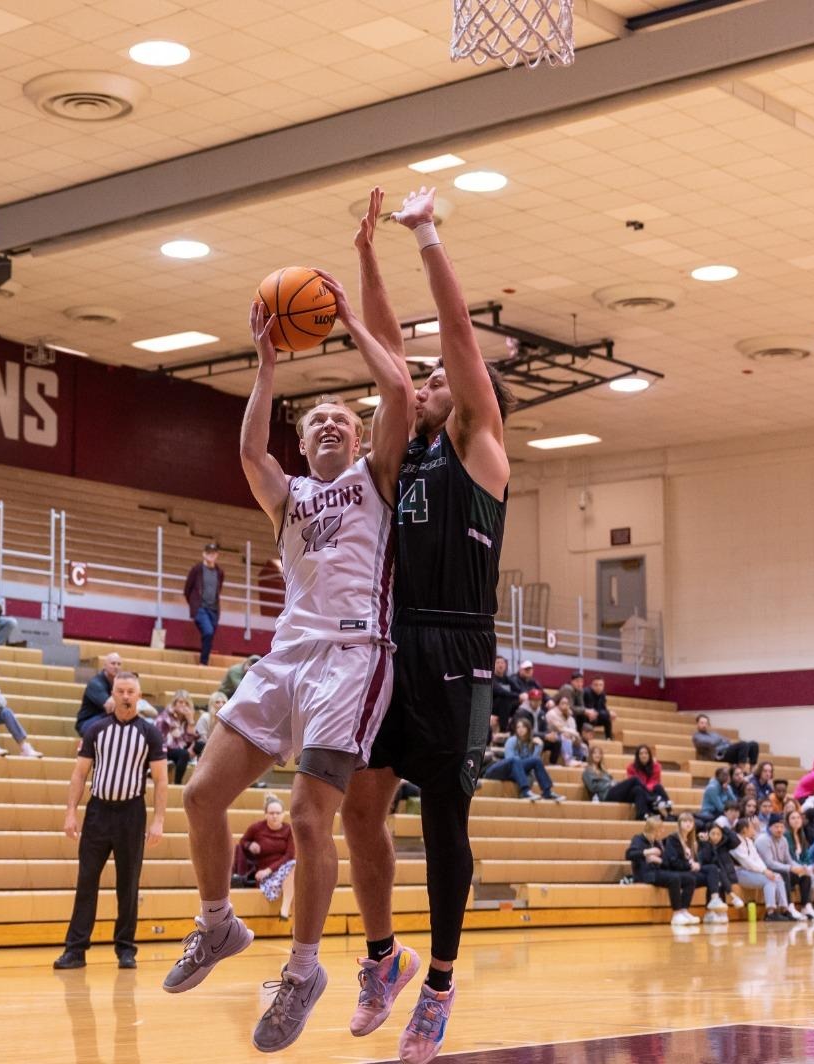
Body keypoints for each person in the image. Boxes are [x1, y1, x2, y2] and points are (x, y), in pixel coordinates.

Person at [164, 266, 413, 1057]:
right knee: (202, 794)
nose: (333, 426)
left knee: (310, 818)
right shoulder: (289, 498)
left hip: (355, 654)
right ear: (302, 444)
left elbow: (400, 397)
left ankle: (304, 970)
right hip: (286, 657)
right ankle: (218, 925)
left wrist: (348, 325)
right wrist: (268, 366)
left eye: (344, 417)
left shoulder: (377, 478)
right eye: (318, 422)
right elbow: (247, 448)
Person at [335, 184, 514, 1064]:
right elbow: (396, 367)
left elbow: (453, 343)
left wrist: (427, 239)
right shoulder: (406, 450)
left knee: (445, 820)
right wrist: (367, 258)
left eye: (446, 378)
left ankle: (439, 984)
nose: (432, 381)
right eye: (429, 381)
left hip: (457, 647)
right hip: (394, 643)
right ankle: (383, 958)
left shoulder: (482, 444)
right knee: (358, 808)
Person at [54, 672, 168, 971]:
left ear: (139, 696)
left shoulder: (150, 733)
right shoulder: (96, 729)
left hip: (132, 814)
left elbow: (160, 780)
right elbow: (79, 774)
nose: (126, 696)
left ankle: (126, 949)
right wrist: (70, 812)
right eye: (121, 691)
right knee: (86, 881)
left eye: (131, 691)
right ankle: (75, 950)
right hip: (98, 813)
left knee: (128, 885)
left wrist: (158, 821)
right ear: (113, 695)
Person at [626, 816, 698, 925]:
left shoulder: (658, 842)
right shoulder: (638, 839)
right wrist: (647, 852)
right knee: (674, 878)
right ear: (654, 829)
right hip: (645, 874)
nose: (663, 831)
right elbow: (629, 854)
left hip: (658, 872)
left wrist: (658, 860)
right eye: (660, 829)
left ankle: (684, 910)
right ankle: (677, 914)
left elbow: (666, 862)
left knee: (690, 878)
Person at [237, 795, 297, 920]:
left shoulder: (289, 830)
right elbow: (242, 842)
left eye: (278, 813)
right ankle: (286, 910)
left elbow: (289, 855)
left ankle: (284, 909)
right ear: (265, 814)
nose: (275, 816)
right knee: (295, 870)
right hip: (264, 876)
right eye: (271, 813)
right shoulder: (256, 828)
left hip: (281, 869)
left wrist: (268, 870)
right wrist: (250, 845)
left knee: (295, 866)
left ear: (283, 814)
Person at [663, 812, 726, 922]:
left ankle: (712, 905)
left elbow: (705, 859)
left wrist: (706, 843)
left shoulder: (693, 840)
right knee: (697, 877)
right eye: (685, 821)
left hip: (690, 870)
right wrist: (690, 866)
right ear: (679, 824)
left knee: (713, 870)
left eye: (690, 821)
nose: (688, 824)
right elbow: (673, 861)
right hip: (679, 872)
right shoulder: (673, 839)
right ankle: (683, 911)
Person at [481, 716, 560, 801]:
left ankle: (547, 792)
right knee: (515, 760)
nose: (520, 729)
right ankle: (525, 791)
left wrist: (539, 747)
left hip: (513, 773)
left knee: (536, 761)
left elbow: (533, 763)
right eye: (518, 727)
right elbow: (510, 760)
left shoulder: (530, 743)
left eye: (523, 727)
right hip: (498, 770)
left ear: (528, 729)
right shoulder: (512, 740)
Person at [731, 817, 792, 921]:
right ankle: (770, 912)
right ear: (744, 829)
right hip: (739, 873)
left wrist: (766, 870)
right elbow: (747, 862)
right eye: (752, 827)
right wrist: (764, 871)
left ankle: (784, 909)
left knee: (777, 877)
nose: (754, 829)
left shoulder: (749, 841)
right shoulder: (735, 842)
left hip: (752, 871)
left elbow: (757, 859)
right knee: (769, 880)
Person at [756, 815, 812, 920]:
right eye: (776, 827)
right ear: (769, 827)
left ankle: (806, 907)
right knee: (785, 873)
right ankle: (788, 907)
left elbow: (789, 860)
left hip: (781, 868)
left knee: (805, 875)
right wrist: (790, 868)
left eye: (782, 827)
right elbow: (769, 863)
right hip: (766, 870)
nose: (779, 829)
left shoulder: (784, 839)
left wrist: (801, 868)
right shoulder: (763, 840)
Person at [183, 543, 224, 666]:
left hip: (214, 609)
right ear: (204, 554)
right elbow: (187, 589)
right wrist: (194, 605)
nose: (211, 555)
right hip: (200, 608)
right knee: (208, 632)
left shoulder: (219, 572)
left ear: (217, 555)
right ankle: (203, 662)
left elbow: (218, 589)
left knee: (209, 635)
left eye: (213, 553)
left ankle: (204, 661)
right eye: (208, 553)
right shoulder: (197, 569)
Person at [606, 744, 673, 818]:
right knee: (636, 781)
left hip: (645, 792)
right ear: (637, 756)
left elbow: (654, 782)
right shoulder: (631, 767)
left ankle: (651, 812)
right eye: (641, 753)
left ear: (649, 755)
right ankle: (654, 800)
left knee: (655, 787)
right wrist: (652, 794)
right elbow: (634, 784)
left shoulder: (656, 767)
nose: (644, 755)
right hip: (631, 795)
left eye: (646, 753)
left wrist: (647, 790)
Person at [697, 821, 743, 913]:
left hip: (726, 873)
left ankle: (721, 911)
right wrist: (706, 844)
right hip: (711, 873)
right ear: (708, 833)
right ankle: (731, 897)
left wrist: (725, 828)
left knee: (720, 882)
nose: (715, 837)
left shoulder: (724, 844)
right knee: (716, 877)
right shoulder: (703, 844)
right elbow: (705, 860)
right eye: (713, 834)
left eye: (718, 834)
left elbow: (736, 841)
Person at [155, 692, 200, 785]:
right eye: (180, 702)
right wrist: (187, 750)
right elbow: (159, 739)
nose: (183, 705)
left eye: (186, 703)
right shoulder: (166, 716)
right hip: (165, 749)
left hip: (180, 749)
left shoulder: (186, 719)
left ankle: (198, 783)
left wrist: (191, 721)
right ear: (174, 704)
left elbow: (189, 739)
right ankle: (177, 783)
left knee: (201, 745)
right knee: (183, 754)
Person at [77, 652, 122, 737]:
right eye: (113, 663)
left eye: (119, 664)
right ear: (104, 666)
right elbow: (110, 707)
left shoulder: (119, 683)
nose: (116, 667)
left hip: (104, 720)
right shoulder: (96, 683)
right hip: (87, 723)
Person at [690, 714, 758, 768]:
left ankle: (752, 772)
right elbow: (711, 743)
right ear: (697, 724)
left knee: (754, 744)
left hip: (727, 750)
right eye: (702, 723)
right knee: (743, 744)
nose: (704, 725)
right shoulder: (697, 736)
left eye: (706, 723)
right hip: (719, 756)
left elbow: (727, 740)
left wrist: (719, 741)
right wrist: (719, 740)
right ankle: (740, 772)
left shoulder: (713, 734)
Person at [490, 656, 521, 733]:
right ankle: (503, 729)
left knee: (520, 702)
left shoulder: (508, 679)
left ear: (505, 665)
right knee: (504, 698)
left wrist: (520, 697)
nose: (500, 665)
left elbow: (519, 691)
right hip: (492, 706)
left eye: (502, 663)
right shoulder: (491, 678)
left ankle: (516, 727)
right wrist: (517, 695)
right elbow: (500, 691)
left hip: (506, 707)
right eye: (498, 663)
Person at [579, 677, 615, 741]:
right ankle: (588, 739)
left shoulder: (602, 694)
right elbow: (592, 710)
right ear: (591, 685)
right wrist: (607, 713)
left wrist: (609, 714)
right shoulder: (587, 692)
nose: (598, 687)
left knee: (607, 719)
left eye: (601, 685)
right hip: (584, 717)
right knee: (593, 716)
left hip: (595, 716)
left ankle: (609, 739)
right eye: (596, 685)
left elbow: (603, 709)